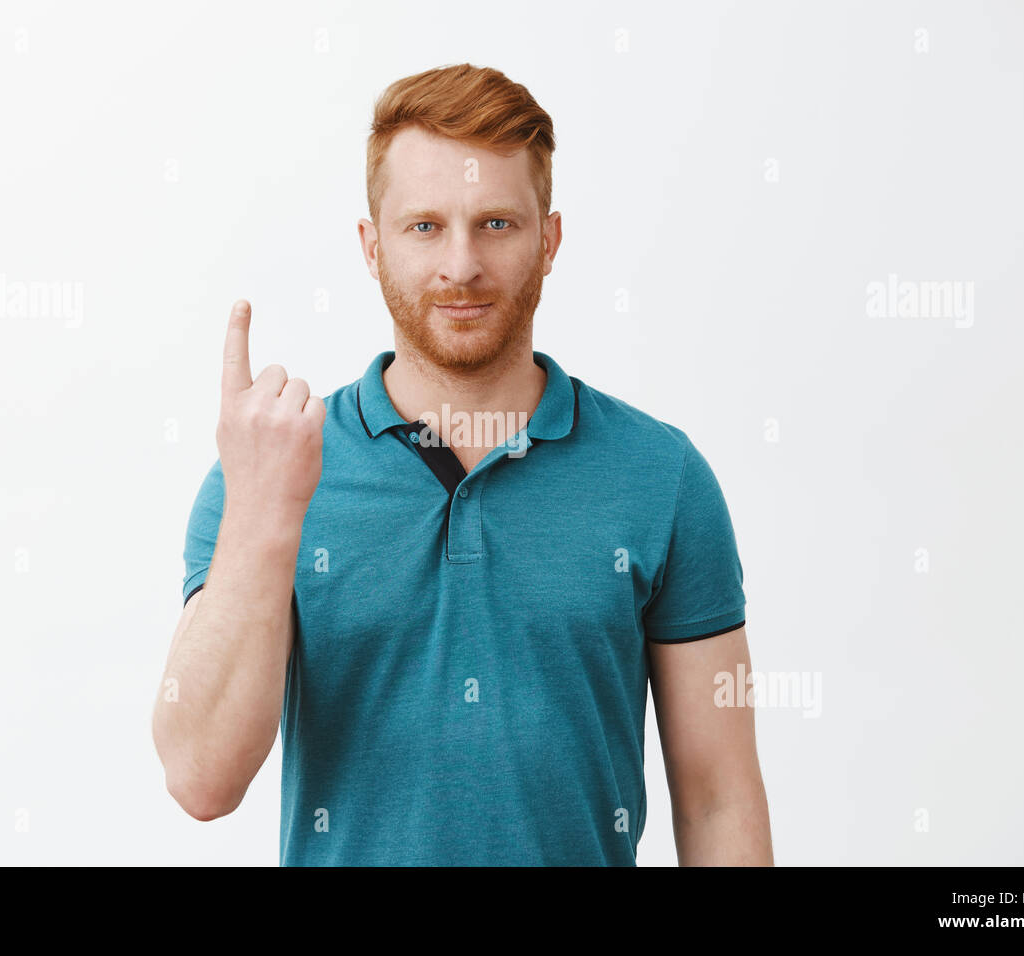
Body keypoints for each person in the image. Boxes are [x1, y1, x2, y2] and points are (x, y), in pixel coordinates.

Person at [152, 63, 773, 866]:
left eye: (496, 225)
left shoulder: (663, 476)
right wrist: (264, 515)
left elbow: (720, 797)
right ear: (371, 247)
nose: (461, 266)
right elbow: (200, 779)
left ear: (549, 240)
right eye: (424, 227)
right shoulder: (268, 472)